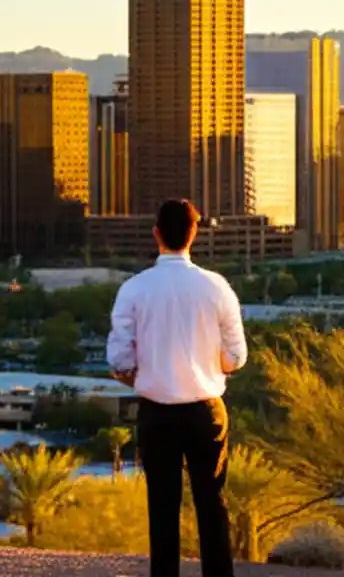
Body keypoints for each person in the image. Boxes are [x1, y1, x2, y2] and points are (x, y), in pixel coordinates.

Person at [107, 199, 247, 577]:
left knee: (163, 509)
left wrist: (142, 374)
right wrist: (204, 363)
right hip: (206, 410)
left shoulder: (134, 290)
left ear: (157, 234)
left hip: (157, 412)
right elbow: (236, 357)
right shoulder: (217, 288)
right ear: (194, 234)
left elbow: (120, 360)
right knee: (212, 504)